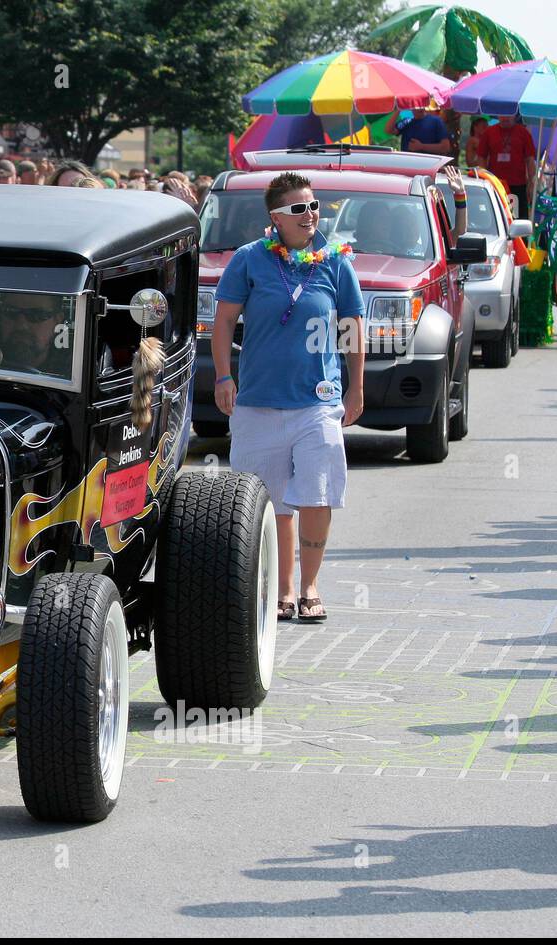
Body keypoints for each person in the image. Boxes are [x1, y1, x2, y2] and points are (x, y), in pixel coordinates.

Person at [211, 171, 365, 623]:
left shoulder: (336, 262)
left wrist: (357, 387)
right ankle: (281, 590)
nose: (310, 214)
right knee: (273, 503)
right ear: (275, 218)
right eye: (299, 208)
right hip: (258, 403)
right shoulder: (249, 260)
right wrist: (223, 376)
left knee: (318, 495)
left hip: (318, 402)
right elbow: (223, 324)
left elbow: (352, 328)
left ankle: (310, 586)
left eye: (314, 205)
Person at [0, 293, 71, 374]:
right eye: (11, 312)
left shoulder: (74, 366)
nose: (21, 325)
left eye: (36, 315)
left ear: (57, 321)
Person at [474, 113, 535, 217]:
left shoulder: (523, 132)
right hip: (495, 184)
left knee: (516, 218)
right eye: (502, 115)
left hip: (517, 185)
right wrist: (483, 178)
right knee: (497, 216)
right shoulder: (489, 132)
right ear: (498, 116)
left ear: (515, 115)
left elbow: (530, 159)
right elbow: (481, 157)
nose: (505, 118)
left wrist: (531, 183)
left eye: (508, 115)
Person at [386, 107, 453, 156]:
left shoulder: (436, 121)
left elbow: (446, 147)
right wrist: (398, 110)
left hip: (429, 166)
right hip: (408, 165)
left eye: (421, 104)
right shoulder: (407, 121)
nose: (419, 108)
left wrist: (421, 146)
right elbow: (388, 130)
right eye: (415, 105)